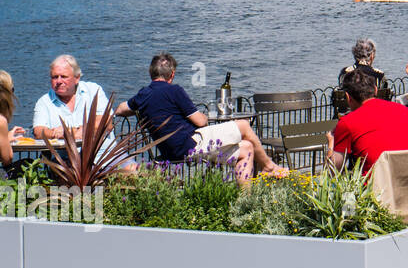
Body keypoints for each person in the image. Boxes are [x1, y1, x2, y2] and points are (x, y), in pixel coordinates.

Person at [116, 53, 284, 180]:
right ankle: (269, 166)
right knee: (244, 125)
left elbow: (120, 109)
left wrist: (138, 108)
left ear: (151, 73)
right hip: (189, 145)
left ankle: (245, 203)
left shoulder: (143, 95)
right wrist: (202, 115)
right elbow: (200, 121)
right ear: (172, 74)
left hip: (169, 152)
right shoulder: (174, 91)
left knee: (246, 148)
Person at [329, 70, 408, 173]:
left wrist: (331, 141)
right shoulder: (405, 111)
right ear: (375, 90)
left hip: (377, 186)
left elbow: (332, 171)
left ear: (348, 97)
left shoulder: (347, 122)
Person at [32, 55, 110, 141]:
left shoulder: (93, 91)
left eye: (64, 77)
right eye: (55, 77)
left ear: (77, 78)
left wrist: (71, 131)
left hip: (103, 153)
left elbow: (106, 122)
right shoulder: (44, 102)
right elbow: (38, 132)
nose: (59, 81)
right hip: (64, 154)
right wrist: (63, 134)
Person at [0, 71, 25, 169]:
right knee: (26, 166)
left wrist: (6, 137)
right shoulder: (1, 121)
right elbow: (7, 159)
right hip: (1, 178)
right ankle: (26, 185)